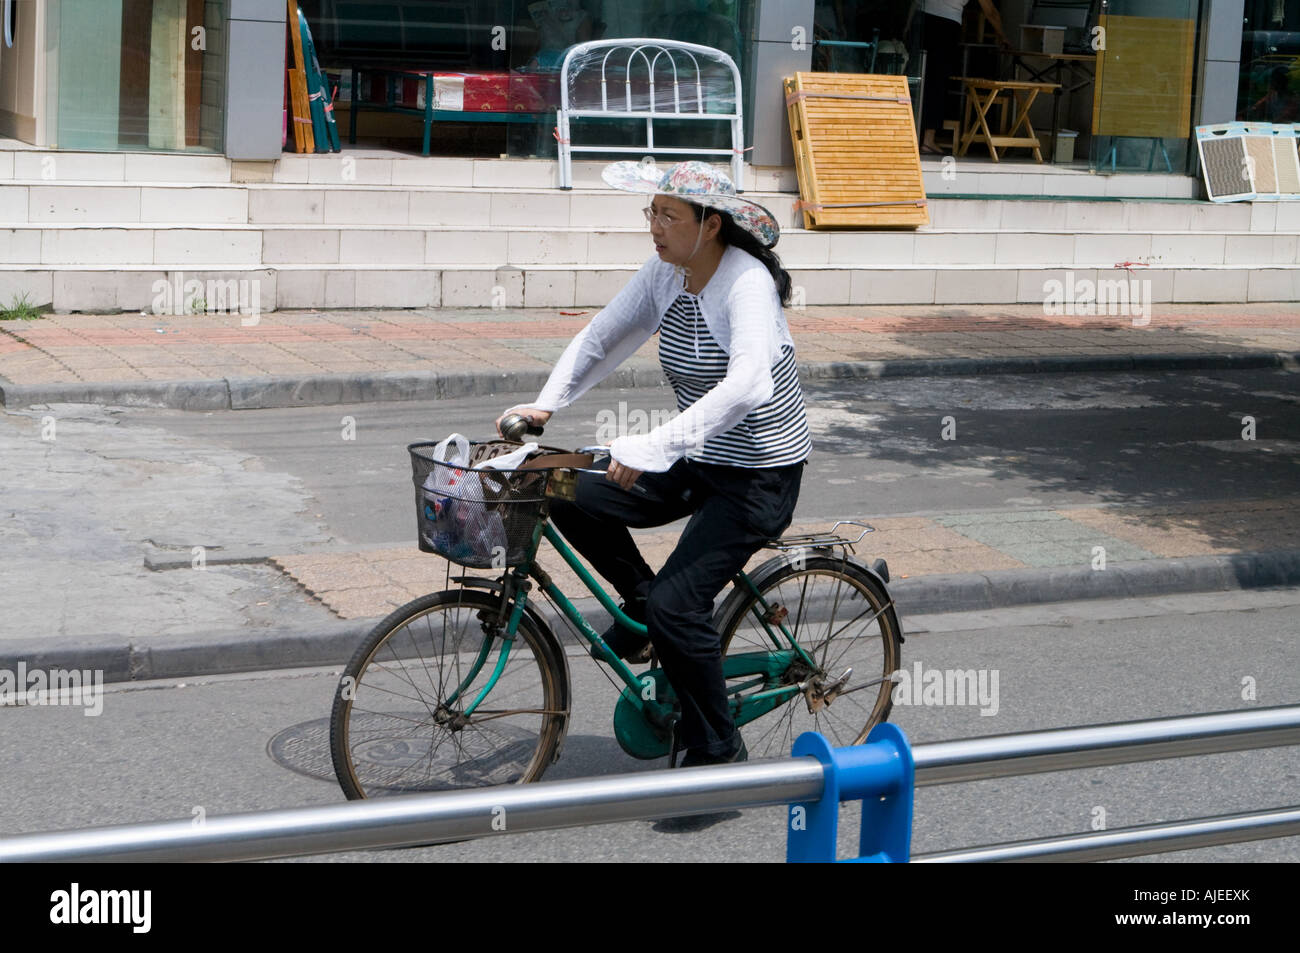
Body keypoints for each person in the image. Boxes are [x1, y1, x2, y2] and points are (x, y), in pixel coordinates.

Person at [495, 160, 811, 767]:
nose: (655, 228)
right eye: (653, 213)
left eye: (669, 216)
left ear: (710, 224)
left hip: (756, 476)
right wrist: (546, 404)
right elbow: (604, 335)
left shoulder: (746, 284)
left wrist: (652, 447)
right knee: (555, 484)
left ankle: (718, 745)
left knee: (680, 606)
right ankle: (638, 604)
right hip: (696, 454)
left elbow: (749, 385)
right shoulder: (671, 271)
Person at [917, 0, 1008, 155]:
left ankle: (910, 135)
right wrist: (1003, 36)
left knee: (918, 77)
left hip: (921, 20)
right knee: (937, 80)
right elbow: (990, 10)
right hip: (946, 25)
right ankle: (928, 140)